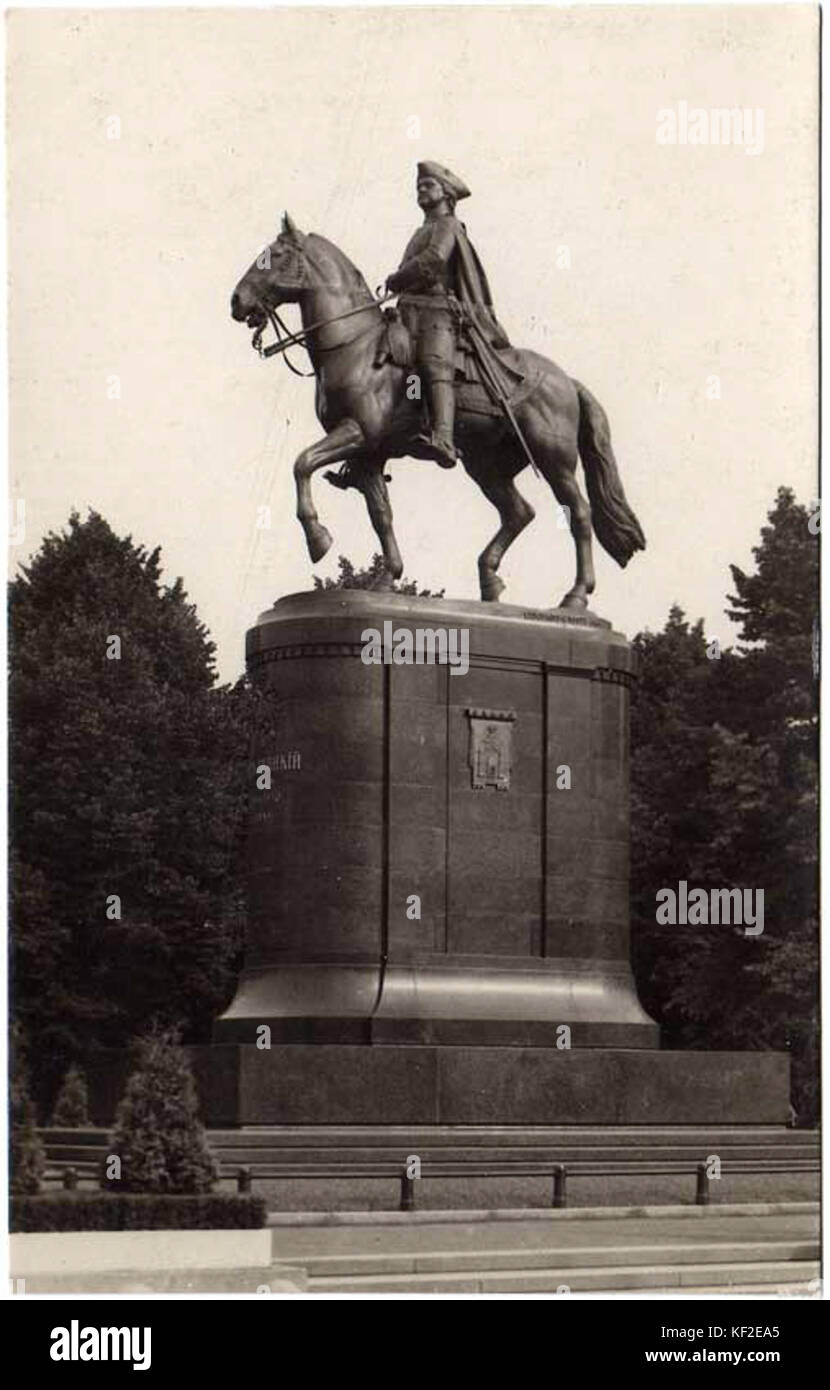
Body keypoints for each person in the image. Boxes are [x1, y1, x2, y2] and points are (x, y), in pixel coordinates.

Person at [385, 161, 510, 468]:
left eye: (428, 186)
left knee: (432, 364)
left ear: (446, 194)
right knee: (402, 366)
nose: (421, 191)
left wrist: (398, 278)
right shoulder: (421, 230)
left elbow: (434, 260)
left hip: (438, 313)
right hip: (411, 311)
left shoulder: (448, 225)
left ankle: (444, 437)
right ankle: (405, 423)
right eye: (418, 187)